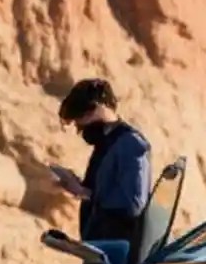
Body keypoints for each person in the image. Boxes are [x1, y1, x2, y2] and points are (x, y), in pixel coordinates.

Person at [50, 78, 152, 247]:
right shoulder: (105, 145)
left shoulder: (130, 143)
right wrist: (77, 187)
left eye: (82, 119)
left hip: (119, 258)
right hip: (101, 252)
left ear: (99, 108)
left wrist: (84, 192)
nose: (79, 129)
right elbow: (104, 193)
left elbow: (133, 203)